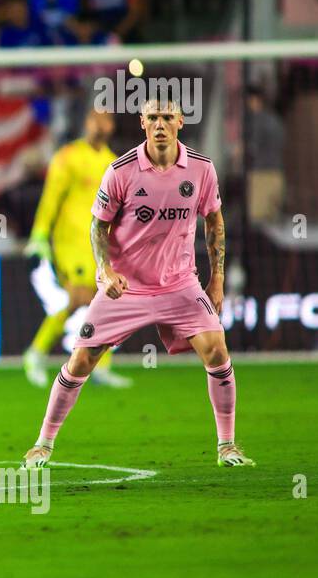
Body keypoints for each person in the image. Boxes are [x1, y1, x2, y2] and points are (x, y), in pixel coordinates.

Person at [23, 100, 255, 470]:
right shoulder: (120, 170)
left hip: (180, 284)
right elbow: (98, 226)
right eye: (153, 118)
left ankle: (227, 445)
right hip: (127, 286)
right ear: (142, 123)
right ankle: (43, 444)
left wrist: (218, 280)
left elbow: (214, 223)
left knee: (217, 351)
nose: (160, 124)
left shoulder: (201, 169)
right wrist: (106, 270)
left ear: (179, 121)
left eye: (167, 117)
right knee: (82, 359)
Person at [23, 107, 130, 388]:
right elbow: (51, 198)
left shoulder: (113, 164)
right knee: (78, 296)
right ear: (86, 122)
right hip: (69, 241)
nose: (100, 126)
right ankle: (36, 352)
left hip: (98, 243)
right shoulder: (68, 157)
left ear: (112, 127)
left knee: (105, 301)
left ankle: (100, 366)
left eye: (106, 121)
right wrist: (39, 236)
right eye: (95, 120)